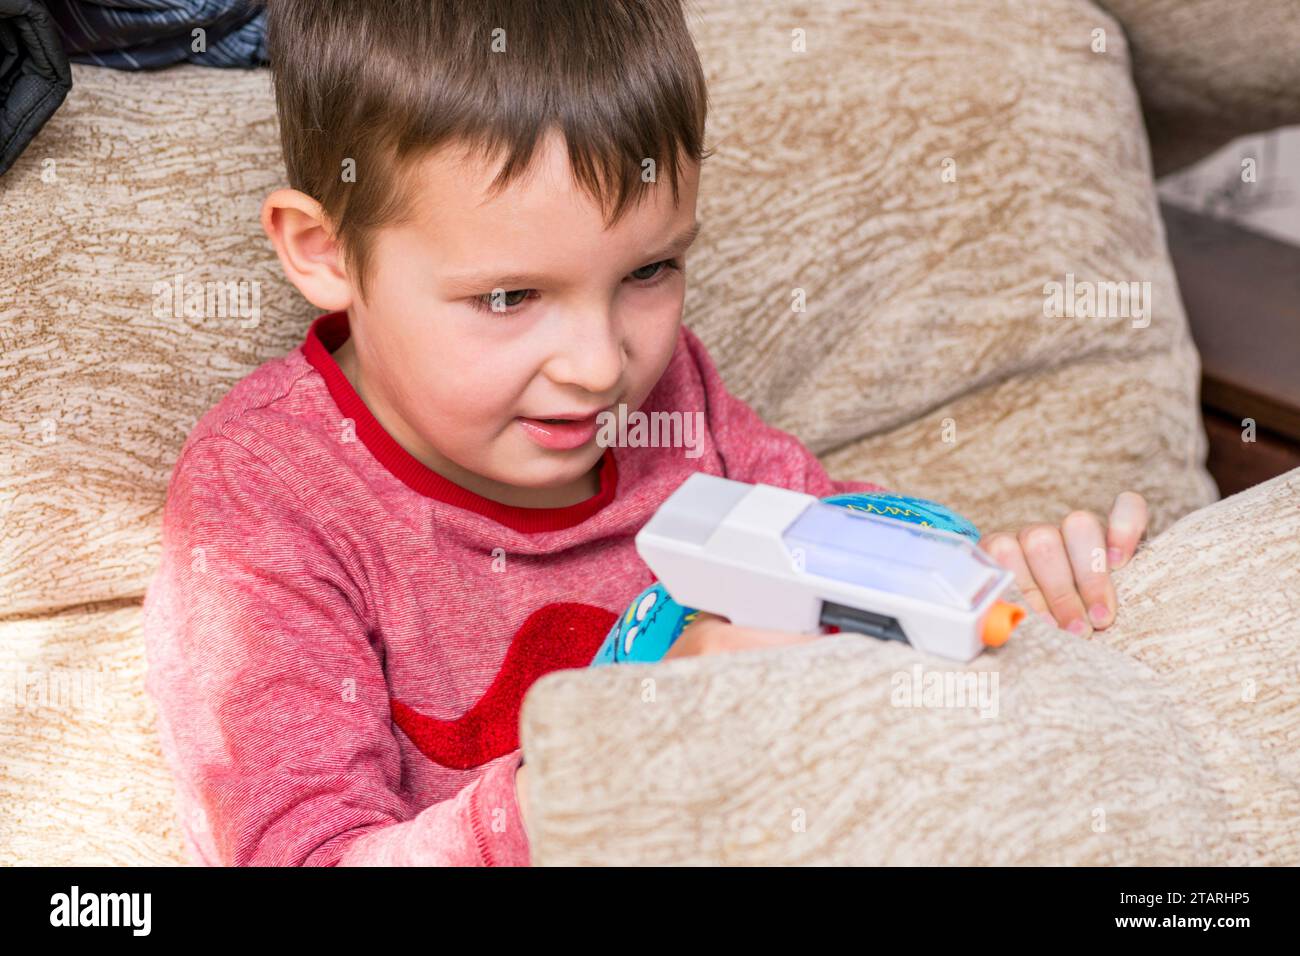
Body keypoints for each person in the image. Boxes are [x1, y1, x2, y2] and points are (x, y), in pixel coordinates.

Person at [142, 0, 1147, 867]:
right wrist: (613, 757)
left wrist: (974, 567)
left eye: (649, 271)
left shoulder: (672, 396)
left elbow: (829, 542)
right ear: (324, 251)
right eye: (507, 295)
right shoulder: (264, 499)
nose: (599, 363)